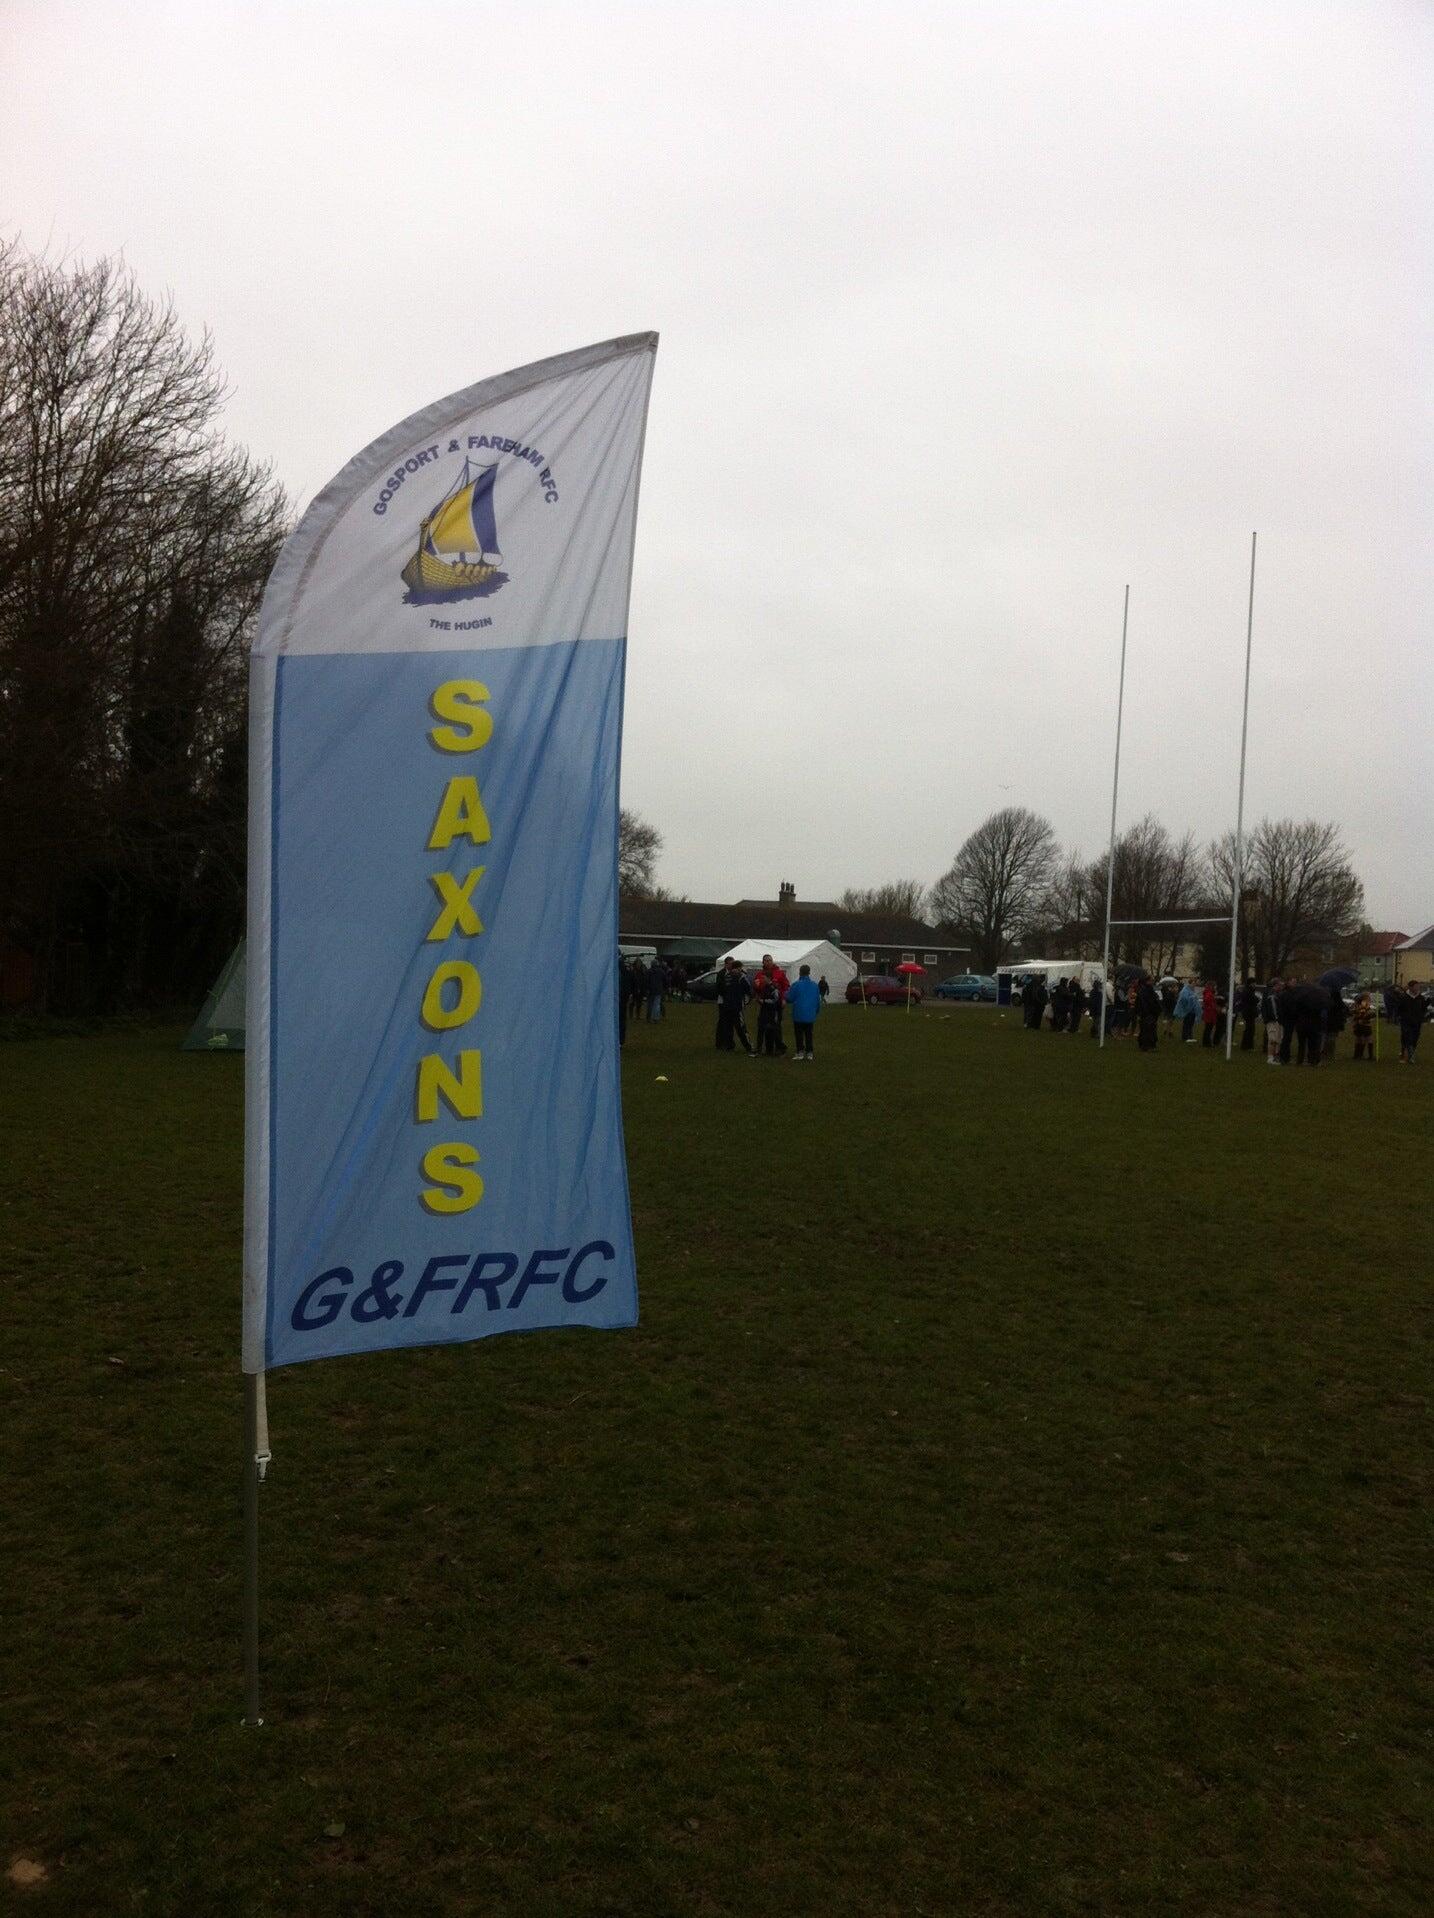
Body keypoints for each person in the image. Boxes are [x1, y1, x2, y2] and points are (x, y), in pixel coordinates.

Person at [715, 958, 754, 1054]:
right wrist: (747, 1000)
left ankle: (729, 1046)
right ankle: (749, 1047)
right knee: (741, 1028)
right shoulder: (742, 977)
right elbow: (749, 990)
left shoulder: (727, 976)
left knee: (728, 1027)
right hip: (737, 1006)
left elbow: (723, 989)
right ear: (739, 968)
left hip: (727, 1005)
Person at [787, 963, 822, 1060]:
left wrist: (785, 993)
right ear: (809, 973)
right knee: (809, 1033)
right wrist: (816, 1011)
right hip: (810, 1014)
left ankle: (800, 1052)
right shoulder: (815, 985)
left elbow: (789, 998)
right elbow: (817, 1001)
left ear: (800, 972)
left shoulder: (796, 985)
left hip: (798, 1013)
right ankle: (810, 1052)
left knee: (799, 1034)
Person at [760, 953, 790, 1053]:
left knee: (776, 1026)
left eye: (770, 960)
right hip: (764, 1004)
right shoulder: (760, 974)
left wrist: (784, 999)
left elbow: (786, 987)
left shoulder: (779, 973)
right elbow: (756, 988)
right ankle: (768, 1048)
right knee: (766, 1026)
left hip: (776, 1005)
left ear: (772, 961)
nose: (768, 962)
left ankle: (779, 1047)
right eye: (766, 960)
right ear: (763, 962)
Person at [753, 963, 784, 1057]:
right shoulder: (765, 987)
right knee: (762, 1029)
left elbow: (776, 1000)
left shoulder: (773, 987)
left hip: (771, 1012)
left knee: (774, 1031)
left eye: (764, 978)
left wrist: (763, 1001)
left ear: (768, 978)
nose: (762, 979)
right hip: (764, 1011)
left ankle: (780, 1048)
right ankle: (761, 1049)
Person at [1397, 980, 1426, 1063]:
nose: (1417, 988)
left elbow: (1423, 1009)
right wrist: (1400, 1017)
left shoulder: (1420, 998)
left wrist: (1422, 1017)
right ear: (1410, 987)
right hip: (1406, 1021)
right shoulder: (1404, 997)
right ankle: (1406, 1056)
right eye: (1415, 986)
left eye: (1418, 986)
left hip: (1417, 1021)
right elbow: (1399, 1008)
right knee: (1406, 1037)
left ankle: (1411, 1054)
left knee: (1414, 1038)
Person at [1261, 977, 1284, 1065]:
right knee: (1273, 1039)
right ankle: (1270, 1058)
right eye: (1280, 985)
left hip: (1274, 1020)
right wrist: (1277, 1018)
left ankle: (1274, 1057)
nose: (1281, 987)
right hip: (1273, 1020)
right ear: (1276, 985)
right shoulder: (1272, 995)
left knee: (1277, 1039)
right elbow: (1273, 1009)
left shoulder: (1274, 993)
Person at [1136, 975, 1161, 1051]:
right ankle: (1146, 1046)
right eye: (1152, 980)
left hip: (1150, 1013)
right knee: (1147, 1030)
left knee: (1149, 1029)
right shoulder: (1144, 990)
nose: (1153, 982)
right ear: (1147, 981)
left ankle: (1149, 1045)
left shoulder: (1148, 990)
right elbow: (1145, 1003)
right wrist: (1148, 1012)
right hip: (1147, 1013)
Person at [1350, 992, 1376, 1062]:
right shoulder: (1364, 1004)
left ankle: (1357, 1055)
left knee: (1359, 1039)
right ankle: (1363, 1055)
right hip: (1364, 1024)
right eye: (1368, 997)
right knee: (1366, 1039)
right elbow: (1363, 1013)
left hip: (1358, 1024)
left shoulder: (1356, 1004)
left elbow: (1353, 1012)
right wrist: (1369, 1015)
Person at [1324, 987, 1347, 1061]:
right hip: (1334, 1021)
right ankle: (1330, 1053)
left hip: (1328, 1020)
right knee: (1331, 1037)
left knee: (1327, 1036)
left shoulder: (1327, 998)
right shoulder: (1337, 1000)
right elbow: (1342, 1008)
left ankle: (1326, 1052)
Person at [1174, 979, 1200, 1044]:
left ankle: (1190, 1036)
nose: (1194, 985)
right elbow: (1183, 999)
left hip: (1192, 1010)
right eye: (1193, 983)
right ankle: (1185, 1037)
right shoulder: (1185, 990)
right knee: (1187, 1024)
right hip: (1188, 1011)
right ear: (1190, 983)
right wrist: (1191, 998)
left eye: (1195, 984)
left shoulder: (1192, 990)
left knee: (1190, 1024)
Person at [1239, 978, 1260, 1051]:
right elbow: (1254, 999)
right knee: (1249, 1029)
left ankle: (1247, 1045)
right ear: (1251, 983)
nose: (1255, 985)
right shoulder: (1248, 991)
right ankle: (1247, 1046)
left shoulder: (1248, 990)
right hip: (1249, 1012)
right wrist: (1256, 999)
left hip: (1249, 1012)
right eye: (1254, 983)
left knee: (1249, 1029)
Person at [646, 957, 667, 1022]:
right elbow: (665, 980)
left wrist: (647, 989)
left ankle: (649, 1018)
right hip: (658, 990)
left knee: (650, 1004)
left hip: (650, 990)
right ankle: (656, 1018)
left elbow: (646, 981)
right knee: (657, 1005)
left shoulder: (648, 971)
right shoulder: (661, 971)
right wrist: (664, 987)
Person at [1200, 980, 1219, 1048]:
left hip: (1209, 1012)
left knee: (1208, 1028)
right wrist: (1213, 1006)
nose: (1215, 987)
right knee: (1208, 1028)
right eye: (1214, 986)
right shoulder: (1209, 993)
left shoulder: (1209, 992)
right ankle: (1207, 1043)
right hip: (1209, 1013)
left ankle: (1206, 1042)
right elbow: (1207, 1000)